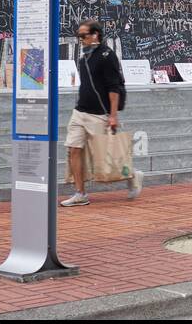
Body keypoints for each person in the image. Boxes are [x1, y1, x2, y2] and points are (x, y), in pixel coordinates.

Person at [60, 21, 143, 206]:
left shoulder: (107, 56)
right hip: (80, 111)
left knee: (108, 157)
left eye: (83, 36)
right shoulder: (84, 58)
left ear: (95, 35)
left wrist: (113, 115)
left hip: (100, 113)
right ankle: (80, 193)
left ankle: (131, 176)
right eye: (78, 36)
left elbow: (114, 88)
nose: (80, 40)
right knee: (73, 149)